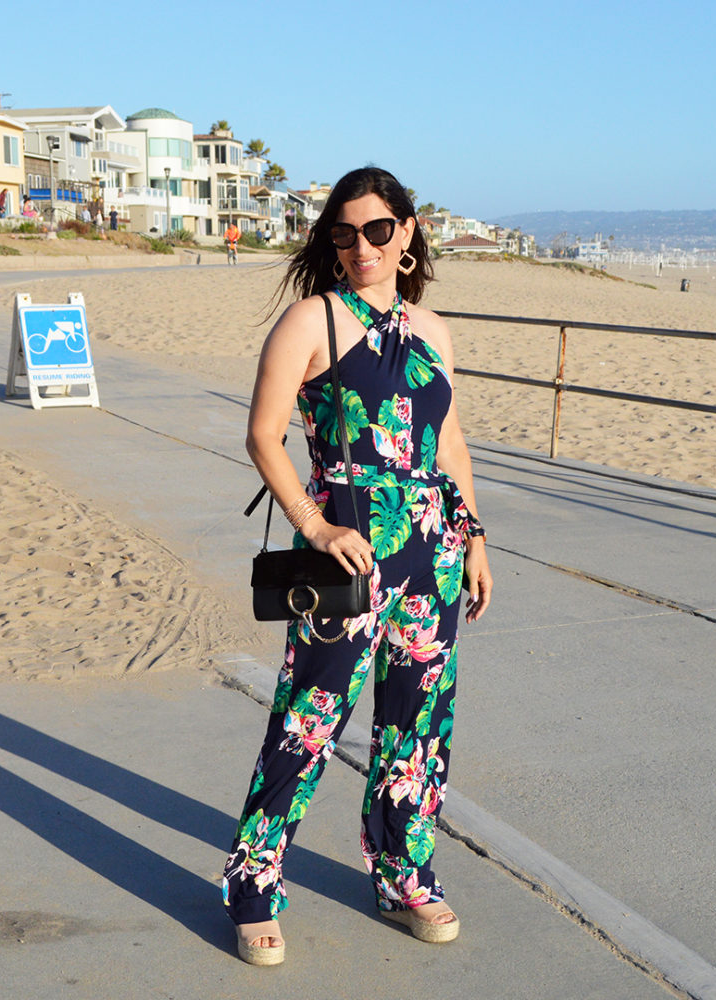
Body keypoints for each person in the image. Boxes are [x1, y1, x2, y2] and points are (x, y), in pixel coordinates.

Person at [222, 166, 492, 966]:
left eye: (378, 230)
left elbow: (447, 442)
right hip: (348, 545)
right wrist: (313, 522)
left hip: (432, 549)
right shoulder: (313, 321)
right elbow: (263, 435)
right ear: (330, 243)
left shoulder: (434, 332)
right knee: (310, 721)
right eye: (343, 235)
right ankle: (253, 884)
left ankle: (404, 873)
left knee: (417, 724)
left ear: (407, 233)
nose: (362, 247)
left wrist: (474, 537)